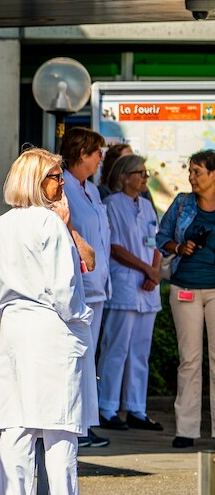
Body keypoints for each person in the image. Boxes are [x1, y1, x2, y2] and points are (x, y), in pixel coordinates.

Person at [0, 148, 95, 495]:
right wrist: (80, 317)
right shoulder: (50, 223)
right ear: (35, 181)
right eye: (55, 177)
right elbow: (65, 288)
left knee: (17, 428)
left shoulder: (2, 223)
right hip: (51, 328)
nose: (62, 183)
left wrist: (13, 311)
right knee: (60, 428)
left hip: (15, 326)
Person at [96, 154, 163, 433]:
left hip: (147, 288)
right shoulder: (111, 205)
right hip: (125, 285)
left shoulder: (147, 206)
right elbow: (115, 247)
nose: (145, 178)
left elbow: (157, 240)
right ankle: (107, 407)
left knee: (140, 351)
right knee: (116, 348)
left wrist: (155, 272)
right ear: (124, 176)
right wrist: (147, 269)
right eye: (140, 173)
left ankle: (136, 408)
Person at [156, 149, 215, 449]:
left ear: (213, 175)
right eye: (190, 171)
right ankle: (187, 429)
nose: (191, 177)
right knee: (189, 361)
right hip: (185, 289)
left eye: (197, 172)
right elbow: (160, 237)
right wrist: (179, 248)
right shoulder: (182, 204)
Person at [58, 127, 111, 449]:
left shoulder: (91, 190)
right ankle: (78, 425)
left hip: (98, 283)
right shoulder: (64, 189)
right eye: (96, 153)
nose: (100, 159)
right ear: (81, 154)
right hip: (79, 285)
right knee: (78, 356)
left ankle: (87, 423)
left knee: (90, 357)